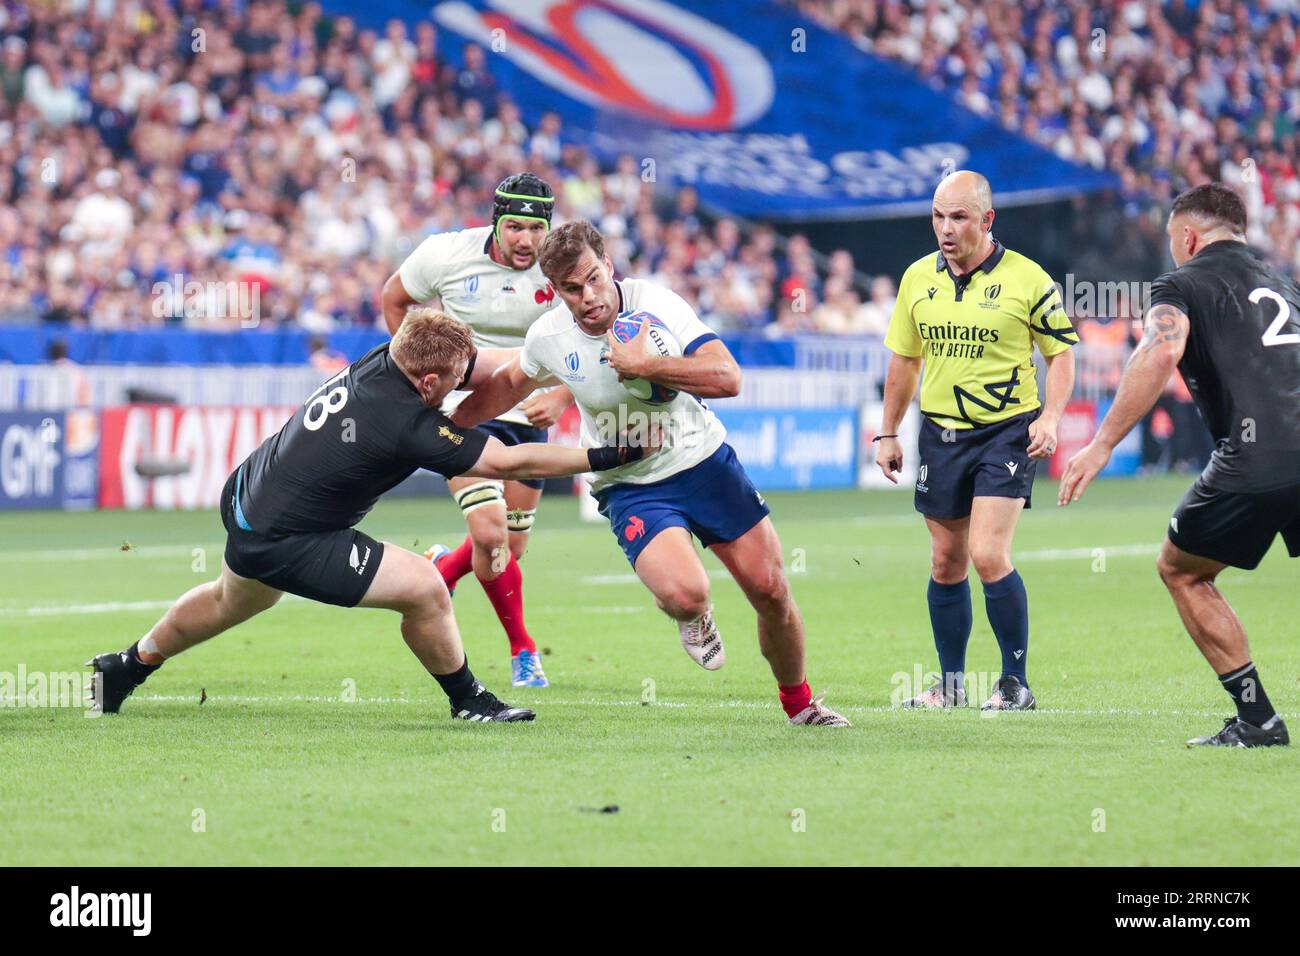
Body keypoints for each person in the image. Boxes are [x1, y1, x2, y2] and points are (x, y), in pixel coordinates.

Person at [87, 310, 652, 722]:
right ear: (428, 383)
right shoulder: (407, 423)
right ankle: (469, 701)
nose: (462, 386)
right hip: (289, 535)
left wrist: (560, 365)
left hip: (250, 496)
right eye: (454, 381)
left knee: (228, 601)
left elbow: (488, 365)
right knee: (426, 588)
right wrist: (607, 455)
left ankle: (126, 667)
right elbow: (508, 460)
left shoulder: (388, 356)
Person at [453, 221, 851, 727]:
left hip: (704, 462)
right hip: (630, 482)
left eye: (594, 278)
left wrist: (647, 365)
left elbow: (728, 377)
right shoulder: (549, 337)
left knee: (771, 590)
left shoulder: (657, 304)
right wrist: (447, 427)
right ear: (554, 291)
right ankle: (694, 618)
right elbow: (509, 383)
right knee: (686, 596)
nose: (589, 297)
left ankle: (800, 705)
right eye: (572, 289)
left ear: (608, 265)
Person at [1060, 183, 1299, 748]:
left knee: (1182, 569)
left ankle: (1258, 720)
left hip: (1259, 455)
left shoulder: (1180, 283)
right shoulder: (1284, 283)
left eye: (1172, 239)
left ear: (1188, 237)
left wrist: (1102, 443)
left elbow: (1160, 351)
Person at [876, 171, 1077, 711]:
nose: (946, 228)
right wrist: (888, 431)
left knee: (987, 553)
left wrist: (1051, 418)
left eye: (959, 217)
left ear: (987, 220)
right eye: (938, 216)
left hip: (1006, 431)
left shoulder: (1027, 278)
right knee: (946, 562)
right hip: (940, 433)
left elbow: (1060, 355)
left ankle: (1015, 684)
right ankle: (950, 687)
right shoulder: (917, 278)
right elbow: (905, 361)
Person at [381, 172, 572, 688]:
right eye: (515, 227)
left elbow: (591, 334)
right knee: (490, 535)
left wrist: (561, 395)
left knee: (508, 549)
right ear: (495, 222)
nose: (526, 240)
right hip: (464, 413)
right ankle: (523, 648)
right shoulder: (446, 254)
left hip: (528, 418)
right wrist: (418, 374)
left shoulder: (562, 269)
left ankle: (444, 567)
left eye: (536, 229)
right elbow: (394, 299)